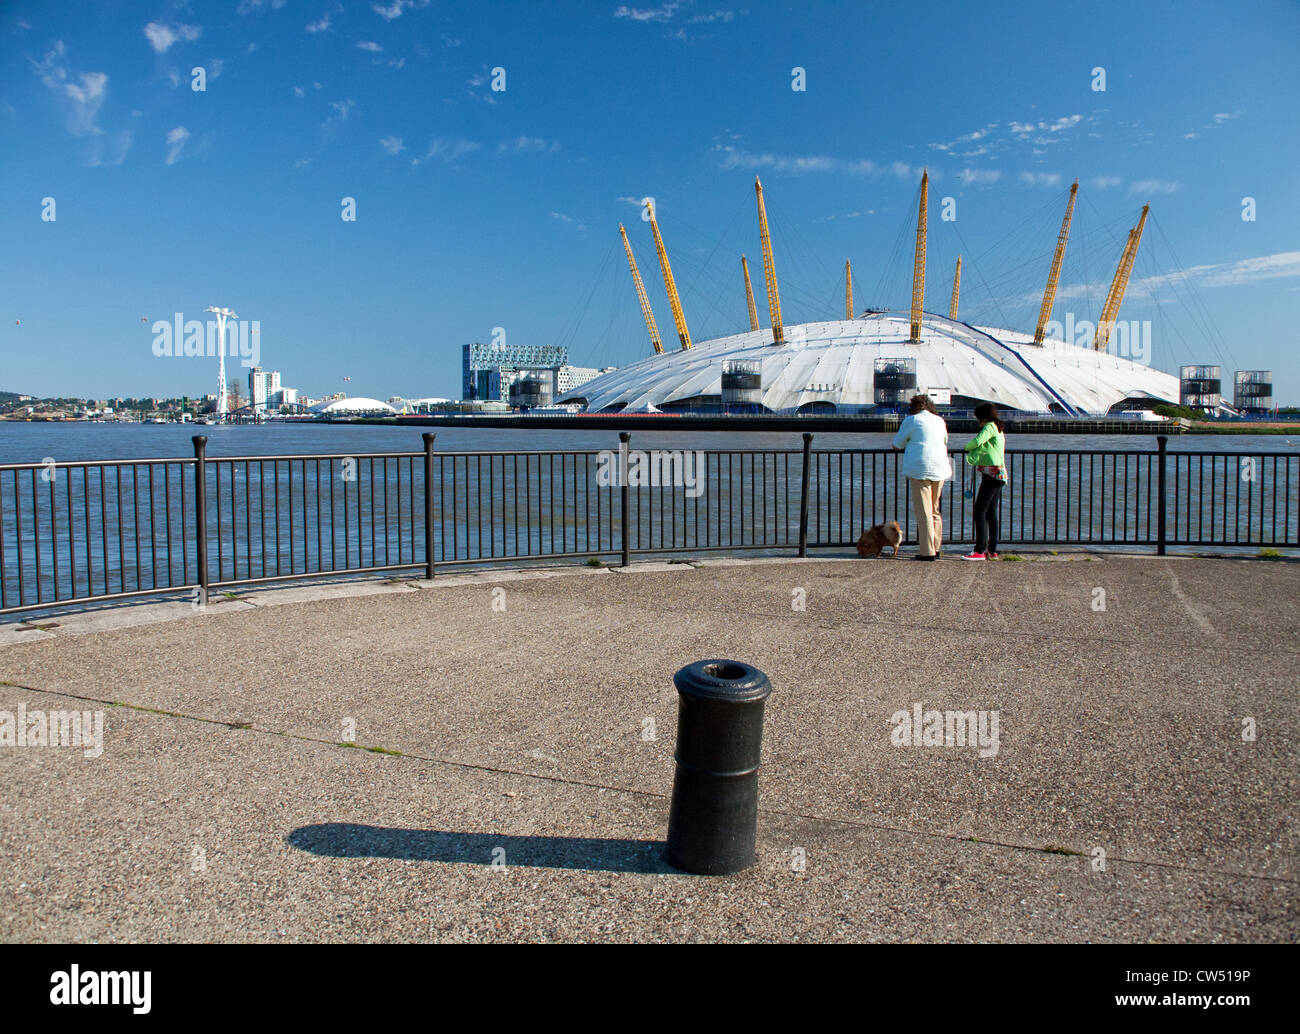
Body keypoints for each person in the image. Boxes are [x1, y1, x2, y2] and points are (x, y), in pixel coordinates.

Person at [892, 394, 952, 560]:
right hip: (940, 468)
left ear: (914, 407)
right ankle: (936, 547)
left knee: (923, 511)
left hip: (920, 468)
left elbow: (897, 444)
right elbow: (945, 440)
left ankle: (927, 552)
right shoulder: (940, 421)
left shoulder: (912, 420)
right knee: (934, 510)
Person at [962, 402, 1008, 560]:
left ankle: (980, 550)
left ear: (982, 417)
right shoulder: (999, 428)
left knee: (979, 511)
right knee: (991, 513)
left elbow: (977, 441)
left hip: (992, 475)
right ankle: (992, 550)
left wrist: (966, 447)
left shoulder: (989, 427)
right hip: (999, 475)